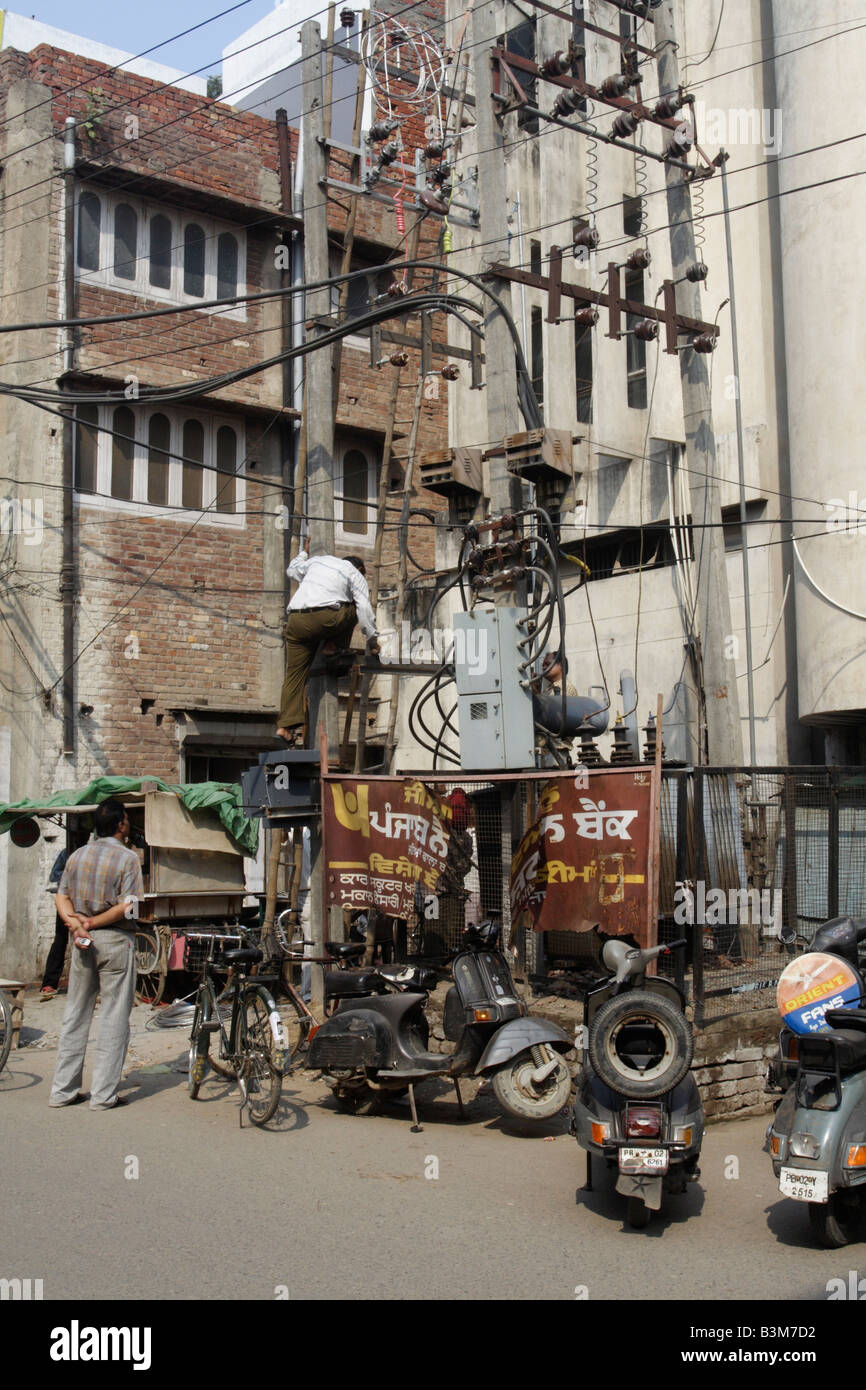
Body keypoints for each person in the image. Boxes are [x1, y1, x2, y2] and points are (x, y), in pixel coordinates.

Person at [49, 799, 144, 1111]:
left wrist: (75, 923)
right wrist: (90, 922)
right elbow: (130, 907)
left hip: (82, 942)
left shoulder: (77, 856)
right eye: (126, 820)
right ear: (120, 825)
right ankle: (103, 1095)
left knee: (76, 1013)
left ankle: (63, 1091)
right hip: (115, 941)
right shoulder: (128, 858)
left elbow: (61, 896)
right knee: (115, 1016)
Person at [277, 551, 379, 745]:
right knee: (354, 607)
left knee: (294, 675)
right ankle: (332, 646)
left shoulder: (317, 562)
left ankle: (284, 727)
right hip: (326, 620)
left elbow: (292, 570)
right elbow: (365, 611)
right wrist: (373, 642)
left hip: (296, 621)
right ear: (360, 569)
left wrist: (303, 552)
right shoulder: (354, 574)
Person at [39, 846, 69, 1000]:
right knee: (60, 939)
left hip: (86, 901)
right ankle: (50, 982)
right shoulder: (66, 853)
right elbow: (54, 874)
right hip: (66, 900)